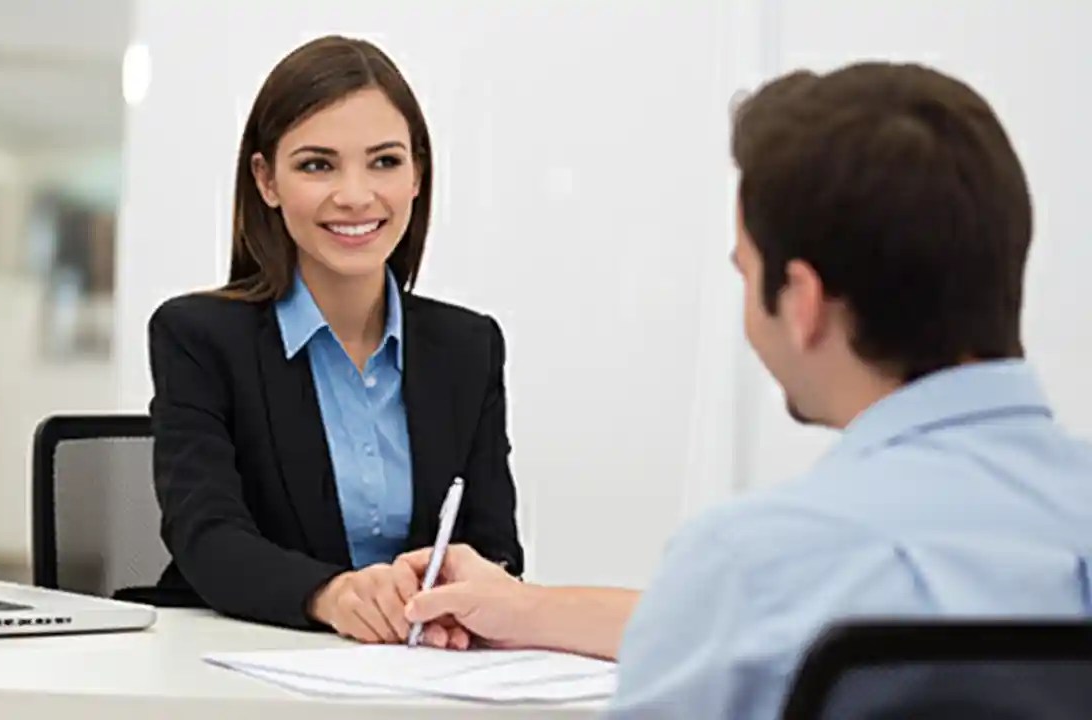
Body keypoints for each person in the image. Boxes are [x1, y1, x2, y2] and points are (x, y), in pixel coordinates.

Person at [399, 61, 1092, 718]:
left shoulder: (755, 567)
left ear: (803, 301)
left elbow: (753, 619)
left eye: (744, 271)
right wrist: (528, 609)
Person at [146, 35, 523, 642]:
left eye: (384, 161)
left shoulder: (468, 346)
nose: (355, 194)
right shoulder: (199, 337)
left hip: (410, 676)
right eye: (317, 164)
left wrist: (473, 592)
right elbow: (207, 538)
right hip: (239, 666)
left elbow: (493, 544)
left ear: (417, 175)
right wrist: (332, 595)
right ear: (267, 181)